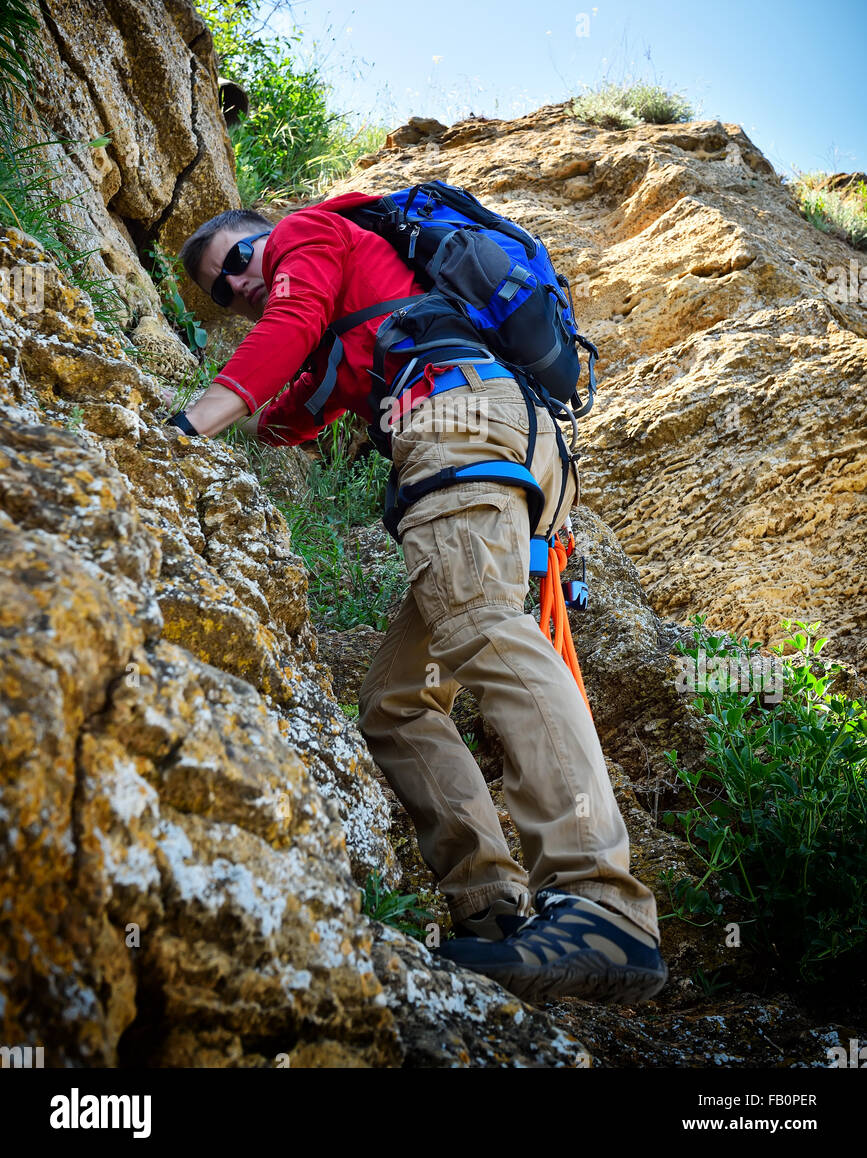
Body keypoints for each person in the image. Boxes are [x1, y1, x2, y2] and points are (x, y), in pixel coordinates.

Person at [169, 193, 668, 1005]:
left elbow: (285, 331)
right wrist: (278, 404)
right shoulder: (365, 313)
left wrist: (184, 429)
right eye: (221, 295)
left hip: (455, 419)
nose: (237, 287)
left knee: (483, 627)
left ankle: (600, 900)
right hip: (501, 435)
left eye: (237, 259)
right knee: (396, 703)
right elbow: (294, 413)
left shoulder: (312, 232)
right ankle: (493, 912)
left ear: (272, 230)